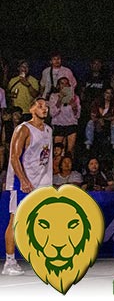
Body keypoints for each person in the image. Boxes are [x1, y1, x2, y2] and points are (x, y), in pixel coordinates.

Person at [2, 98, 53, 276]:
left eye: (46, 106)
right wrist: (23, 180)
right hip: (24, 182)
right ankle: (9, 262)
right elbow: (15, 157)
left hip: (42, 183)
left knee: (44, 222)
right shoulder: (23, 129)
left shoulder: (48, 130)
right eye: (40, 106)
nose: (44, 109)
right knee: (15, 221)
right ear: (31, 108)